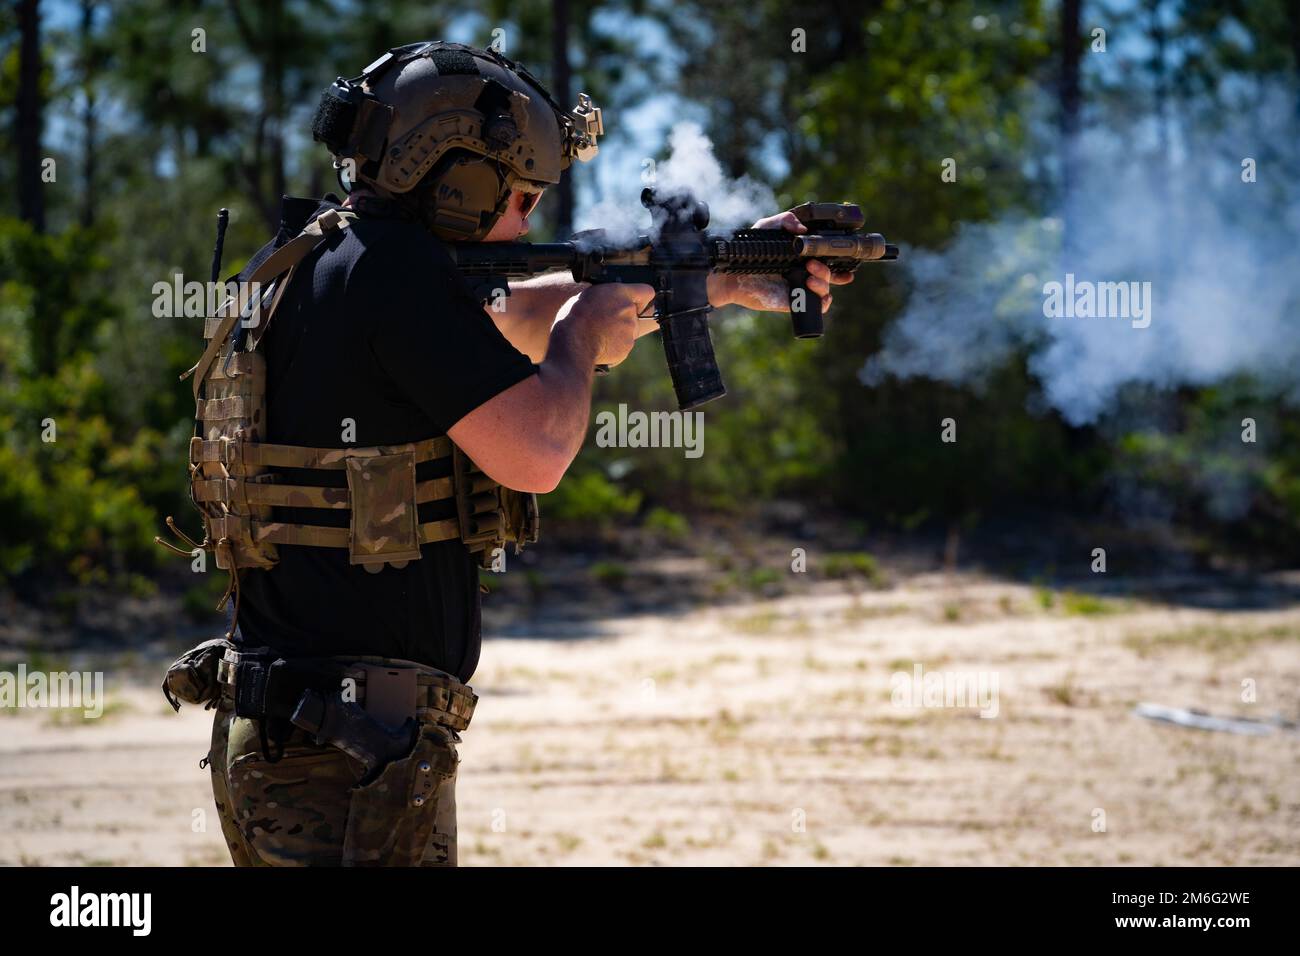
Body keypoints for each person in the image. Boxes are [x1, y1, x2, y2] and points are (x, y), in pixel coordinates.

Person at [187, 40, 851, 867]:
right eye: (523, 194)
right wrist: (579, 349)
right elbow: (536, 450)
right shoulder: (393, 277)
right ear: (456, 180)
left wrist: (717, 276)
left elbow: (512, 314)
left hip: (310, 732)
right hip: (342, 750)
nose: (530, 219)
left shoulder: (322, 260)